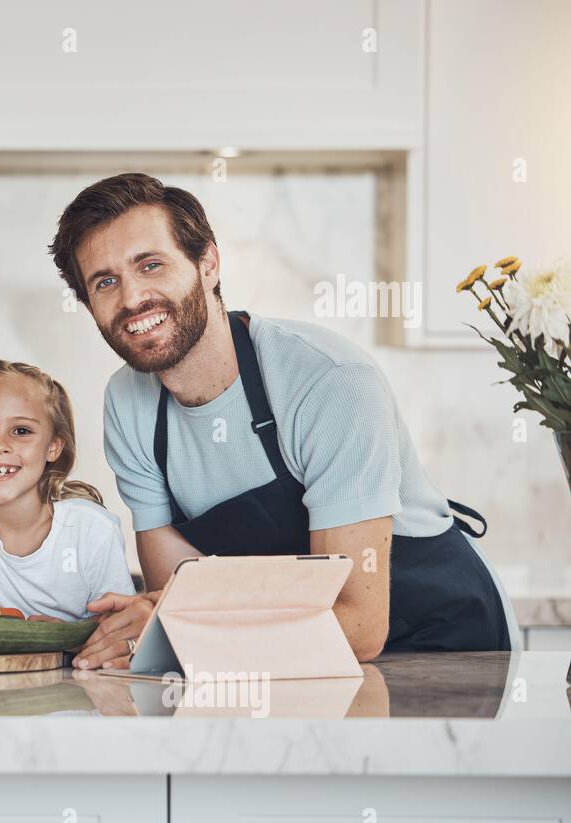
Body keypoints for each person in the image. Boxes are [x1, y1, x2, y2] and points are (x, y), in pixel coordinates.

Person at [48, 173, 517, 669]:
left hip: (441, 638)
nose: (131, 298)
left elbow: (359, 626)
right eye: (105, 282)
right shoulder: (128, 404)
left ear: (208, 264)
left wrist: (182, 622)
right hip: (285, 654)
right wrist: (163, 620)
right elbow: (178, 595)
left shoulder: (330, 381)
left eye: (151, 265)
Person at [0, 359, 136, 621]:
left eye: (21, 431)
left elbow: (121, 624)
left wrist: (65, 636)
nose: (0, 445)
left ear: (53, 447)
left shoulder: (93, 529)